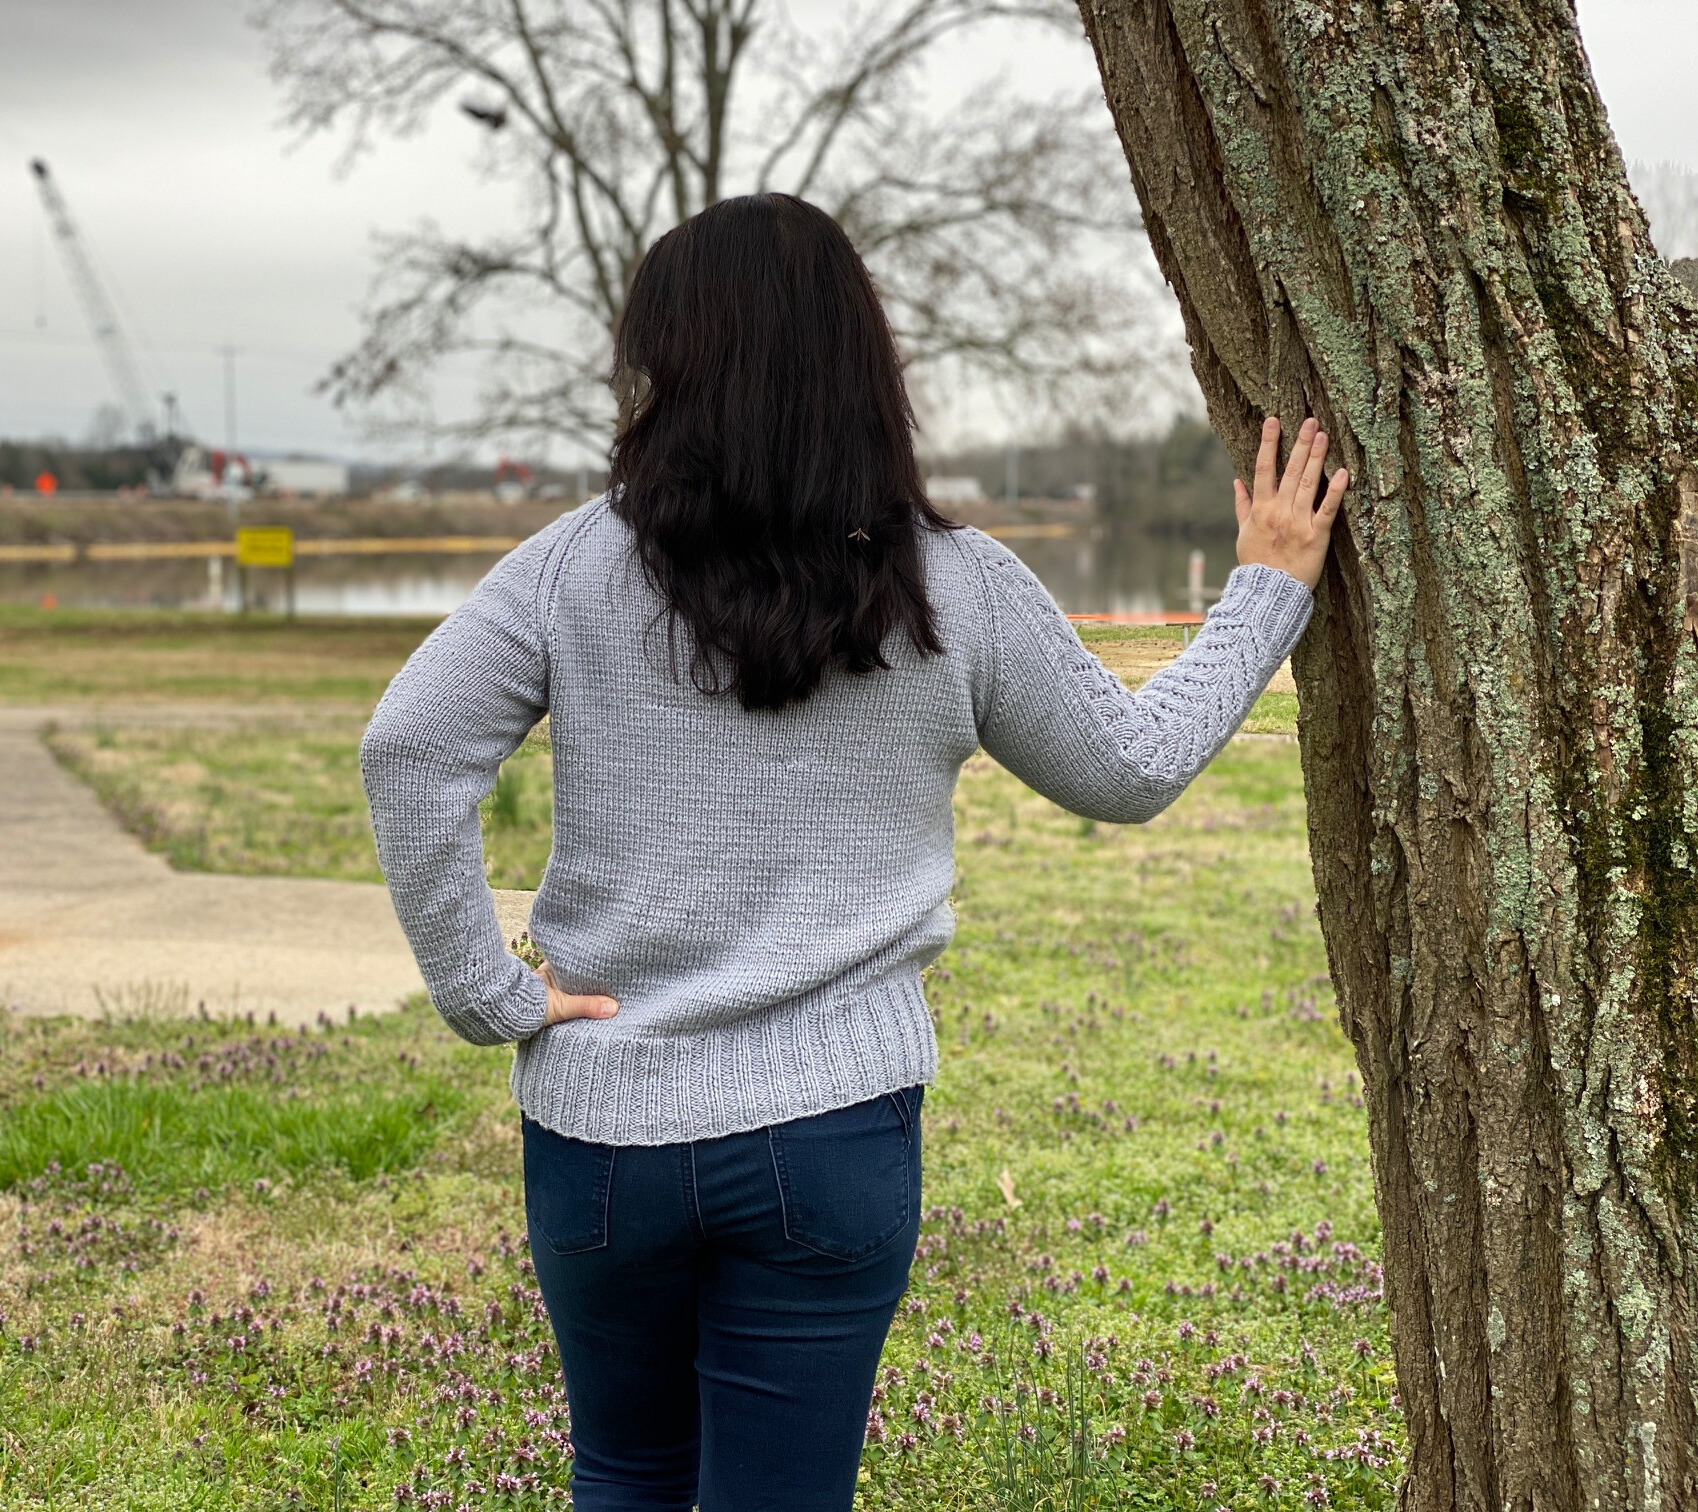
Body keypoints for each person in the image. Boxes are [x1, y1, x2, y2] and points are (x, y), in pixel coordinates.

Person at [360, 192, 1346, 1512]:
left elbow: (407, 747)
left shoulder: (574, 565)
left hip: (602, 1133)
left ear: (670, 367)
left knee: (627, 1475)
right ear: (860, 363)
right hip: (830, 1138)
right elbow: (1128, 769)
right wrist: (1266, 588)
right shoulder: (960, 583)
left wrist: (488, 995)